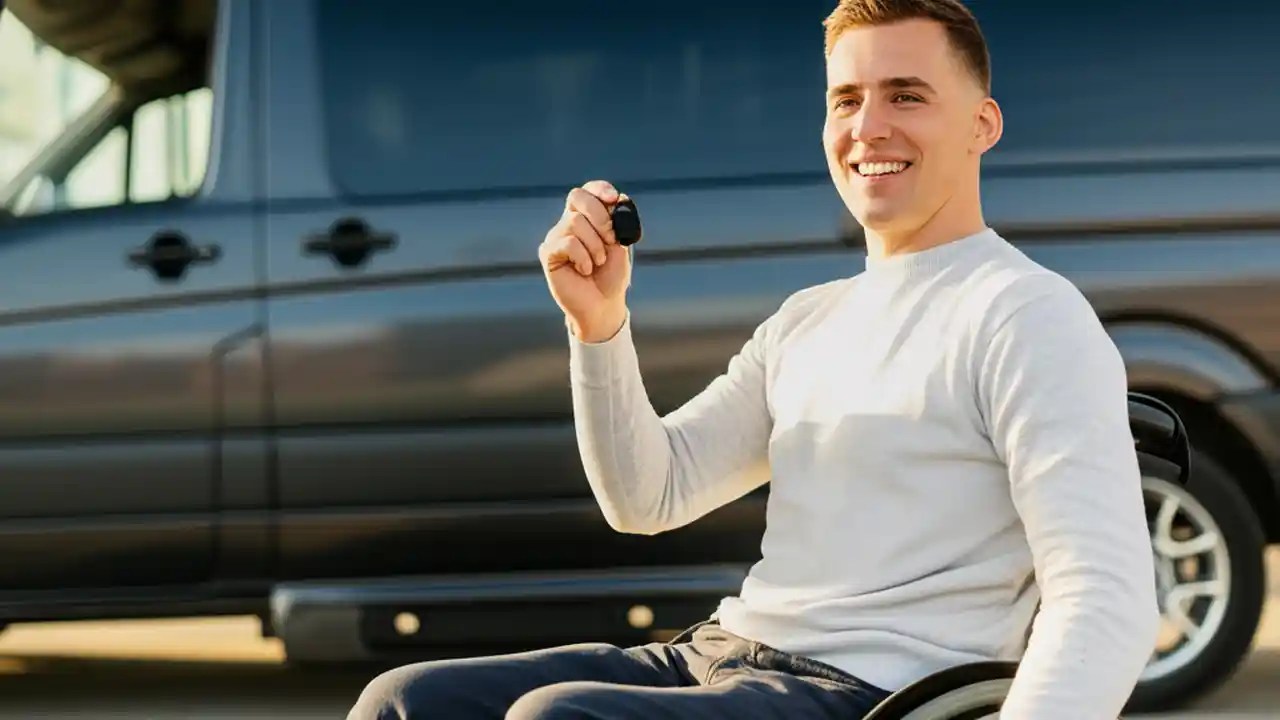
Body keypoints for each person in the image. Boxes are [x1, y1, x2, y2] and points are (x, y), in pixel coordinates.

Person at [347, 0, 1159, 717]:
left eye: (906, 95)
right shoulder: (808, 319)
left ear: (982, 123)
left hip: (872, 691)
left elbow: (1106, 597)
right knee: (406, 702)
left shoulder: (1026, 314)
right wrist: (599, 328)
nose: (869, 127)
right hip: (720, 656)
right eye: (847, 100)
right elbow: (647, 495)